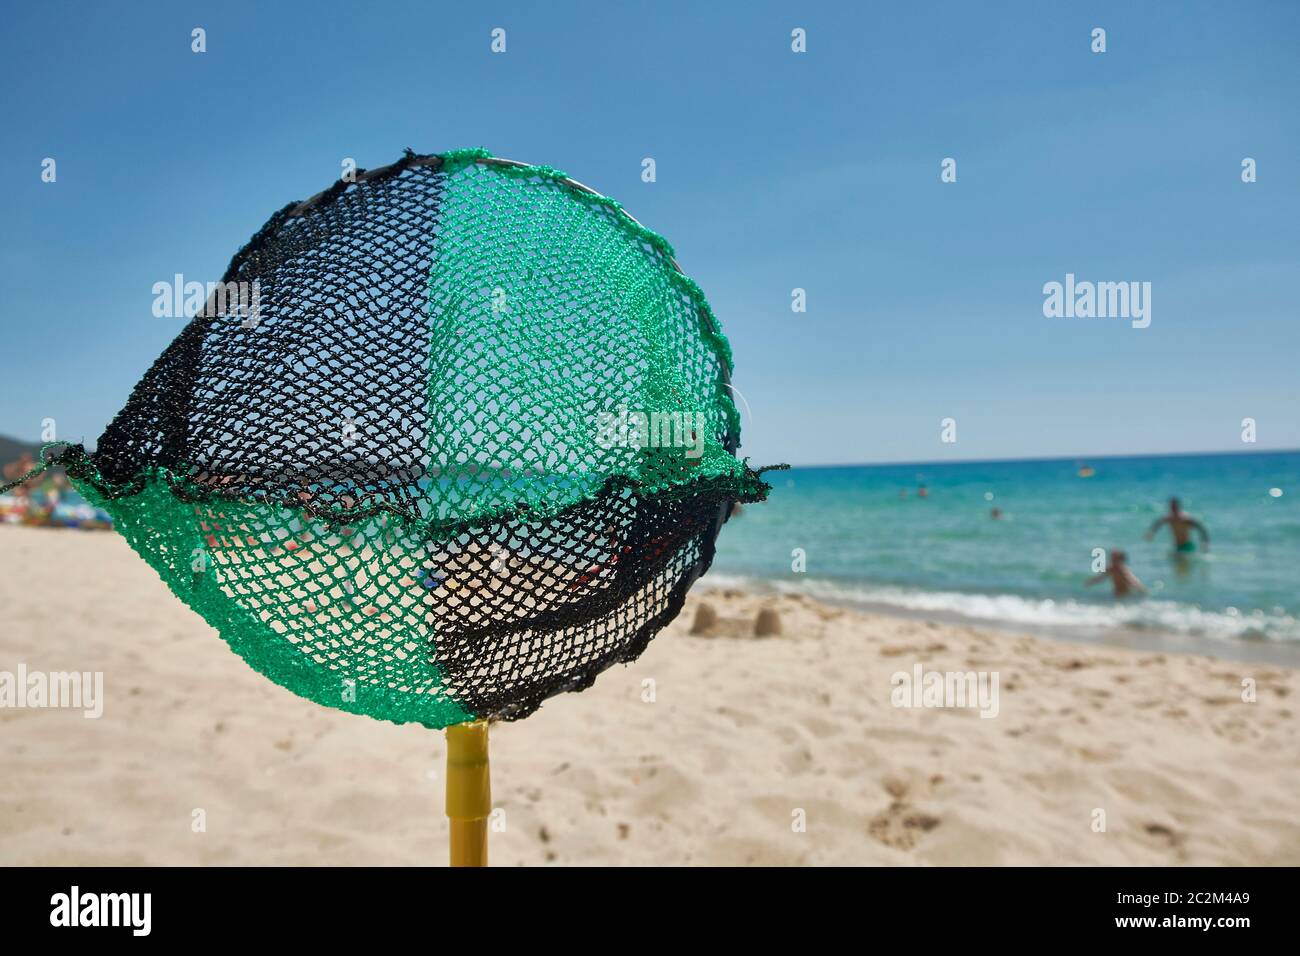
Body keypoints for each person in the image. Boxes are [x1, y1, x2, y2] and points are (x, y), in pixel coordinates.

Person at [1145, 497, 1210, 553]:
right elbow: (1158, 523)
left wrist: (1205, 542)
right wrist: (1151, 532)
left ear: (1179, 507)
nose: (1173, 509)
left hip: (1187, 546)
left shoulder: (1185, 518)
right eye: (1172, 507)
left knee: (1183, 565)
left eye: (1175, 507)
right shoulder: (1169, 518)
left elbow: (1201, 528)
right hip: (1177, 547)